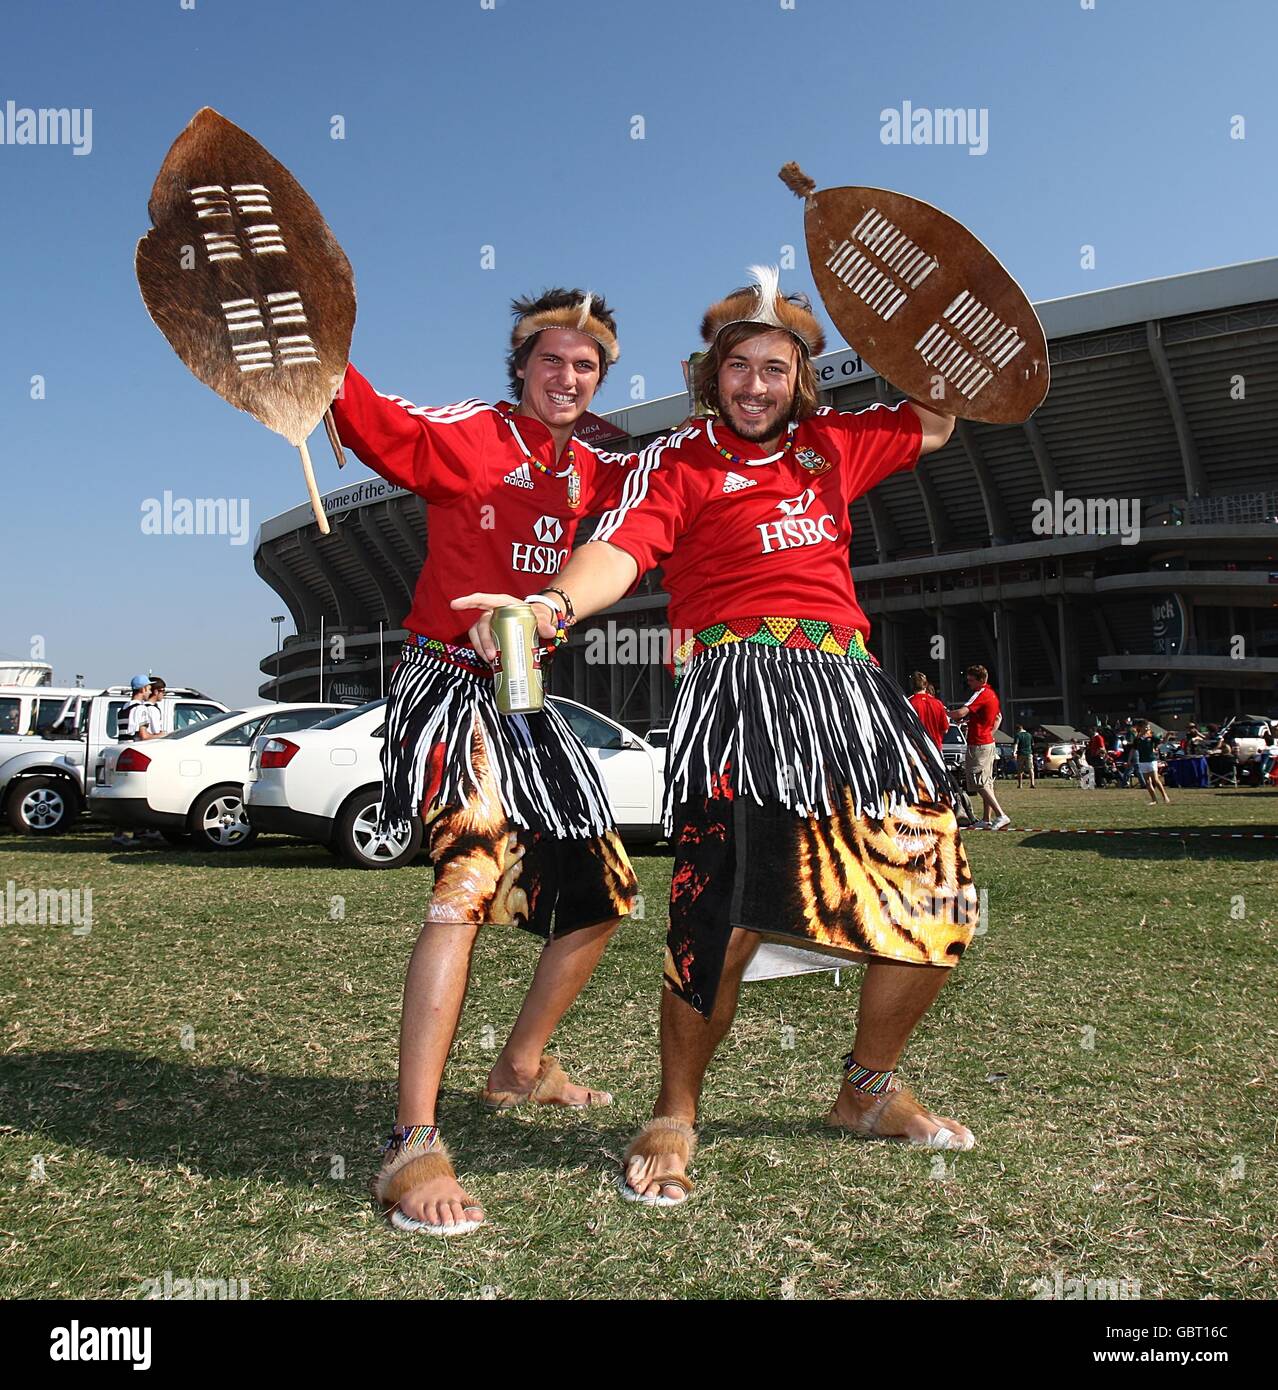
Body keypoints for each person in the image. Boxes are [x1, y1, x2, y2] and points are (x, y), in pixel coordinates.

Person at [458, 266, 979, 1207]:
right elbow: (616, 550)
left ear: (801, 378)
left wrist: (920, 304)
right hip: (736, 690)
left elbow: (938, 417)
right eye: (739, 366)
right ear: (713, 373)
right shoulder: (680, 458)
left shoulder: (833, 447)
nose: (755, 385)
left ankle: (866, 1090)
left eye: (775, 368)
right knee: (721, 921)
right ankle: (675, 1111)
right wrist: (549, 604)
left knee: (932, 901)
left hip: (851, 691)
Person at [328, 288, 666, 1237]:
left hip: (527, 696)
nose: (567, 378)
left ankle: (521, 1066)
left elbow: (663, 501)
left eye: (586, 365)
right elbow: (370, 414)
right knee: (467, 881)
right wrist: (313, 346)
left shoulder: (606, 462)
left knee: (603, 893)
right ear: (521, 366)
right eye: (551, 360)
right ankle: (410, 1143)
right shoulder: (472, 433)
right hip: (445, 684)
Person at [952, 666, 1010, 829]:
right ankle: (986, 818)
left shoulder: (981, 694)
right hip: (987, 742)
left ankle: (1001, 814)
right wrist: (989, 732)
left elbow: (961, 712)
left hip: (979, 744)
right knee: (986, 782)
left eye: (971, 680)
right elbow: (998, 717)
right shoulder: (992, 694)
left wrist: (945, 713)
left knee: (978, 782)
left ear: (980, 680)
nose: (969, 683)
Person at [1128, 719, 1170, 805]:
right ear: (1141, 727)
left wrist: (1167, 736)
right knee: (1147, 782)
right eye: (1146, 726)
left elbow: (1163, 742)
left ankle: (1165, 796)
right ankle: (1154, 799)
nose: (1148, 728)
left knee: (1155, 779)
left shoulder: (1152, 737)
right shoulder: (1137, 739)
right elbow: (1133, 749)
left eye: (1148, 726)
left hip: (1152, 761)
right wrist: (1129, 760)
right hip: (1142, 762)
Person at [1013, 722, 1036, 789]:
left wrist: (1014, 752)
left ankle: (1020, 785)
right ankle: (1032, 784)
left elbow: (1016, 744)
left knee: (1020, 770)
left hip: (1021, 754)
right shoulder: (1029, 735)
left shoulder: (1018, 735)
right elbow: (1033, 744)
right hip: (1029, 753)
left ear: (1017, 729)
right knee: (1031, 769)